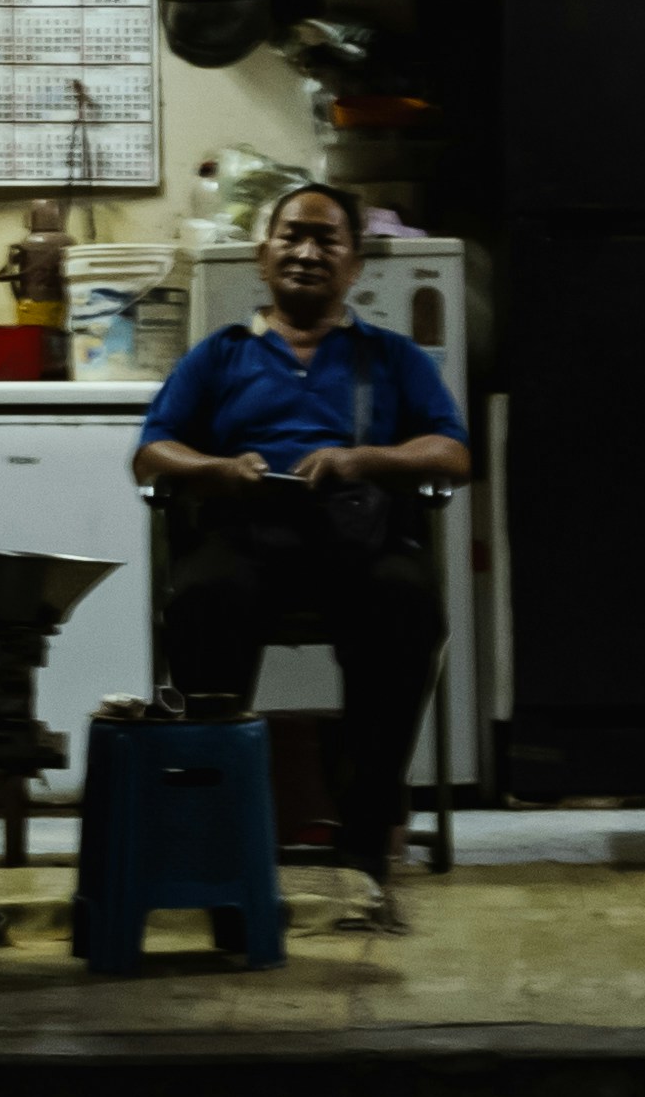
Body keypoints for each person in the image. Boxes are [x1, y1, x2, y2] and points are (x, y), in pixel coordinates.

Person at [132, 183, 473, 875]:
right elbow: (151, 451)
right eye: (291, 236)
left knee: (405, 603)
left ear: (354, 267)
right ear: (263, 257)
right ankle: (217, 827)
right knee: (200, 600)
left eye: (327, 240)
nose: (307, 252)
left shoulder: (390, 356)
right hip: (244, 537)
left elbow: (453, 453)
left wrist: (362, 459)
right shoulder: (221, 354)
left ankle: (363, 832)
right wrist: (221, 470)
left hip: (354, 541)